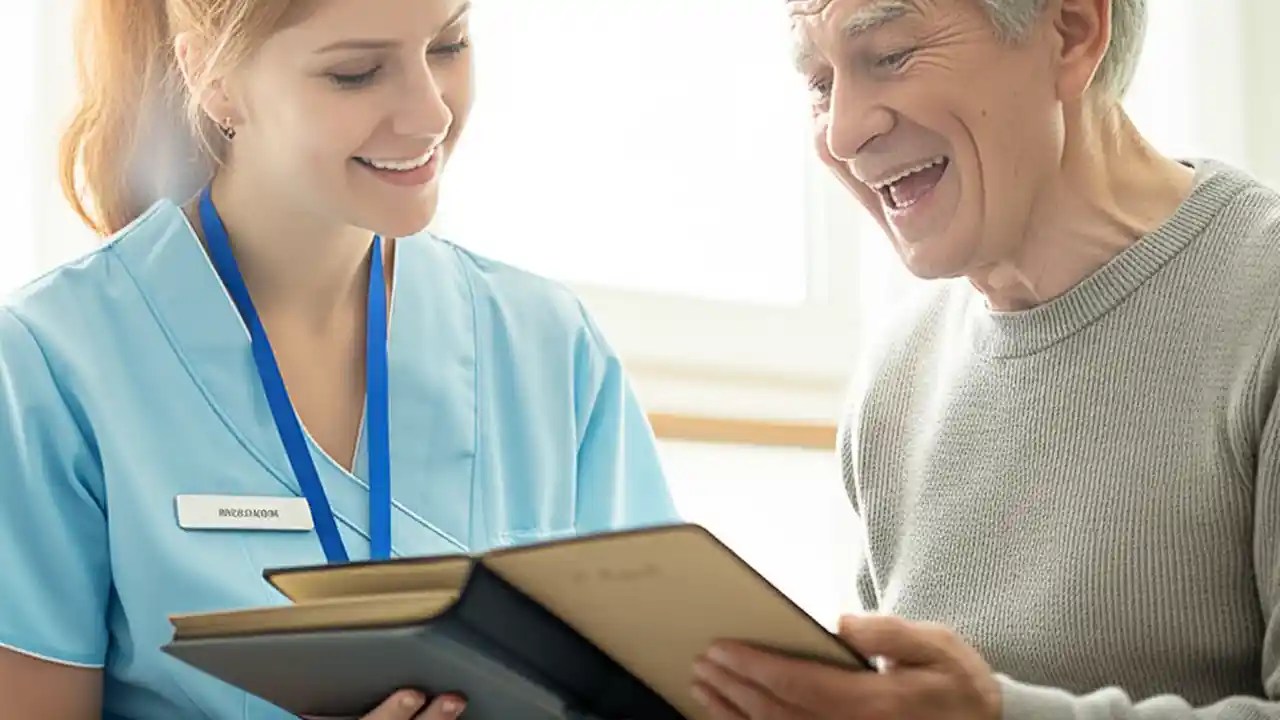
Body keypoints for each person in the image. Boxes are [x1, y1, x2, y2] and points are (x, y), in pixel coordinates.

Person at [0, 0, 680, 718]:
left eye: (448, 46)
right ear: (211, 76)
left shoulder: (550, 351)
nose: (430, 115)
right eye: (356, 73)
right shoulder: (52, 367)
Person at [690, 0, 1279, 717]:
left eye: (891, 55)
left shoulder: (1264, 300)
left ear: (1070, 32)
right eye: (819, 84)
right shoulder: (896, 373)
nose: (843, 134)